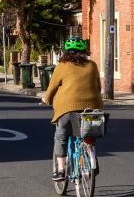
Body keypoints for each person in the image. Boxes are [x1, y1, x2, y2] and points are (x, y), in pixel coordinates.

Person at [42, 39, 103, 181]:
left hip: (68, 108)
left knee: (61, 137)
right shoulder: (92, 65)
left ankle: (61, 171)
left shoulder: (62, 65)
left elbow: (52, 87)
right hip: (92, 108)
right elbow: (98, 87)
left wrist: (46, 99)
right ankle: (91, 158)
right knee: (88, 135)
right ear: (84, 52)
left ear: (66, 52)